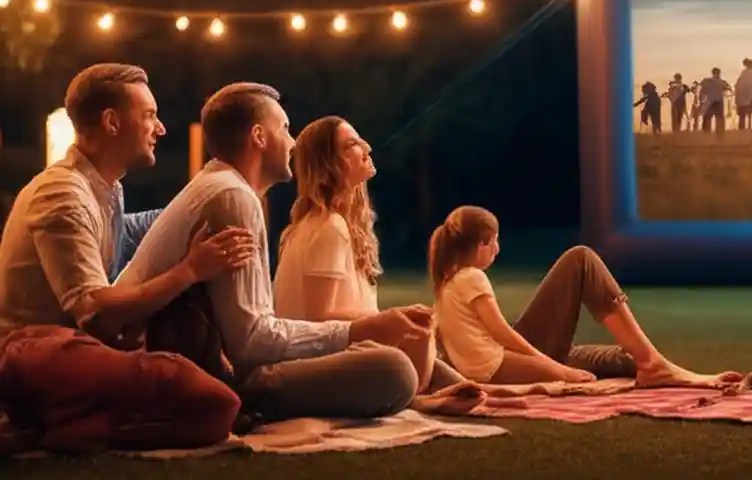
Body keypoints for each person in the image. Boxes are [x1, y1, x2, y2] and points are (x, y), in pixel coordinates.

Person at [117, 82, 429, 421]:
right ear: (259, 137)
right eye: (284, 129)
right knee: (392, 369)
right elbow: (251, 345)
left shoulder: (222, 187)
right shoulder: (232, 197)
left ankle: (432, 394)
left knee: (388, 359)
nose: (293, 142)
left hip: (192, 361)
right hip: (202, 375)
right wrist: (359, 331)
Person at [0, 63, 252, 451]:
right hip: (33, 355)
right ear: (112, 121)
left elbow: (146, 230)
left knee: (209, 386)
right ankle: (55, 426)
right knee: (212, 401)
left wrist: (208, 202)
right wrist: (190, 269)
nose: (161, 127)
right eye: (149, 115)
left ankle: (69, 419)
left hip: (80, 350)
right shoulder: (62, 194)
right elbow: (97, 311)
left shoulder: (105, 188)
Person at [272, 116, 482, 413]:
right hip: (314, 361)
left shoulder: (338, 224)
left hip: (348, 350)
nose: (367, 147)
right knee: (396, 363)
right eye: (352, 145)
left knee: (448, 368)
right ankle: (418, 401)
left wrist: (395, 323)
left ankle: (430, 395)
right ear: (329, 165)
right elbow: (317, 319)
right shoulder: (327, 227)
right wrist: (388, 323)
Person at [431, 205, 744, 387]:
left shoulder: (446, 284)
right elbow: (503, 335)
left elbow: (453, 338)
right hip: (508, 359)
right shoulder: (471, 278)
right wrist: (551, 367)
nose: (497, 249)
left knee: (616, 358)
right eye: (492, 242)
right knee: (580, 259)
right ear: (475, 246)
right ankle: (655, 364)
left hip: (504, 358)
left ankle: (651, 365)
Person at [698, 68, 730, 137]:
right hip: (717, 102)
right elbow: (728, 89)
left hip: (711, 101)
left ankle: (707, 134)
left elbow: (702, 91)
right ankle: (720, 135)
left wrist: (701, 100)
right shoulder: (721, 82)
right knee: (719, 118)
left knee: (707, 118)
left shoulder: (707, 81)